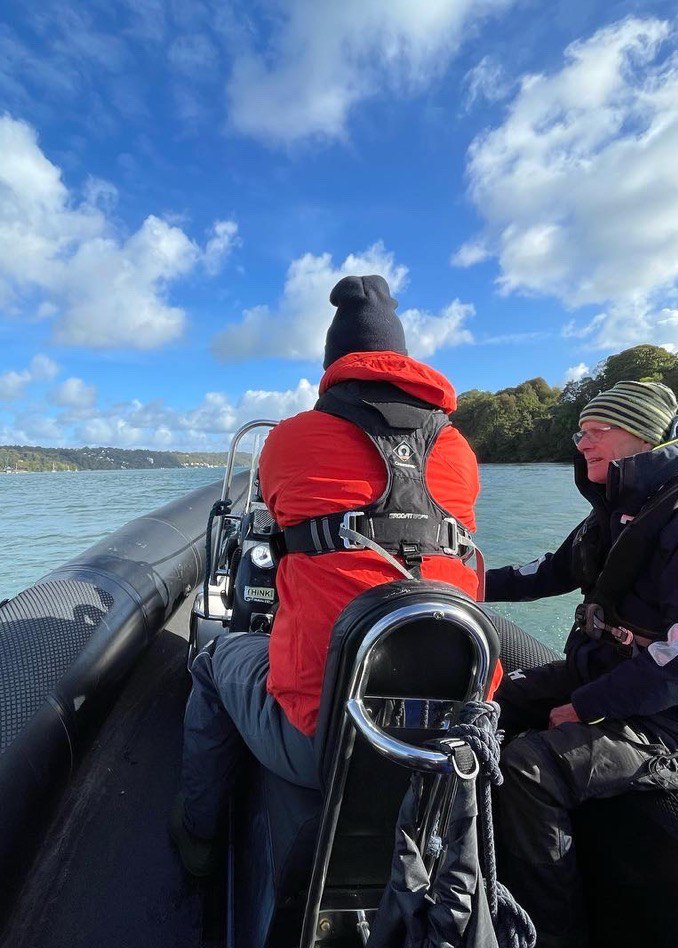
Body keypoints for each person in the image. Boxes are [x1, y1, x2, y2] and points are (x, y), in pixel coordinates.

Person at [170, 274, 489, 876]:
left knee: (214, 664)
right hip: (447, 742)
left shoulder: (291, 440)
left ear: (334, 365)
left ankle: (196, 845)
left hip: (325, 742)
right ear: (403, 360)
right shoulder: (461, 454)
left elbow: (272, 511)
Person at [485, 380, 678, 948]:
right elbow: (547, 572)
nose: (583, 442)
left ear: (643, 436)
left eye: (598, 431)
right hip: (604, 674)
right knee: (493, 706)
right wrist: (453, 579)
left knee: (530, 768)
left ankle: (551, 943)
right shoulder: (619, 513)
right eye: (581, 431)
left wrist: (590, 707)